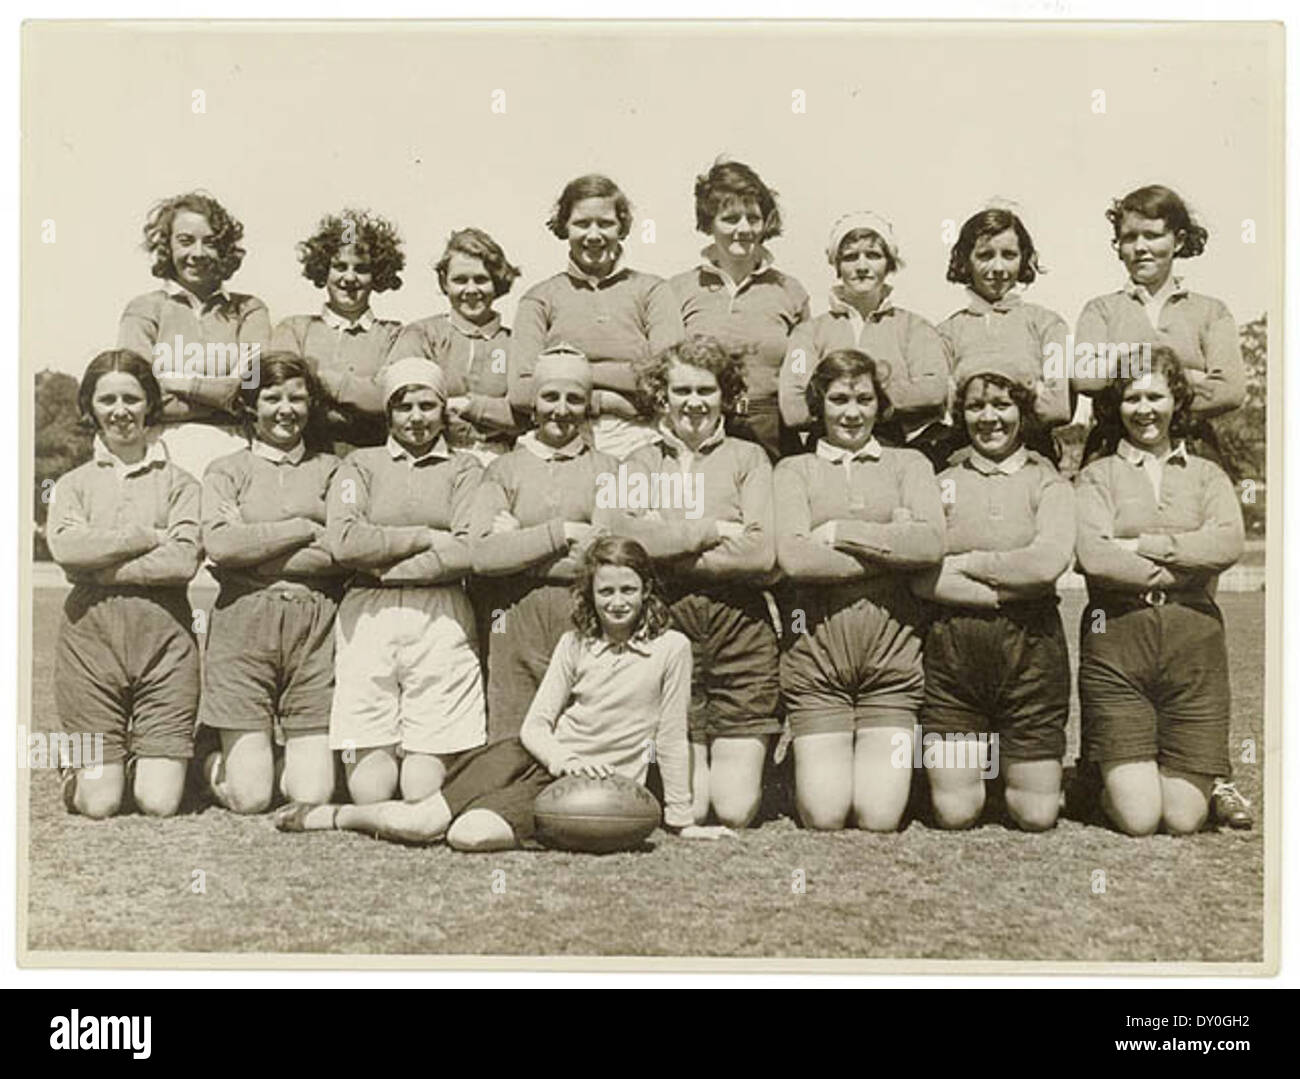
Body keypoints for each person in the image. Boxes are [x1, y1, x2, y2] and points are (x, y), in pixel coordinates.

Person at [275, 538, 732, 849]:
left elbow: (671, 738)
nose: (617, 601)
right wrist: (561, 759)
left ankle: (486, 813)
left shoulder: (672, 648)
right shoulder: (576, 643)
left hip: (588, 787)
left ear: (647, 590)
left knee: (467, 837)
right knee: (423, 822)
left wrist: (682, 819)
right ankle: (332, 816)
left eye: (628, 590)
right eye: (606, 590)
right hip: (529, 757)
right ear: (590, 594)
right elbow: (536, 725)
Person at [603, 335, 779, 828]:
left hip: (740, 624)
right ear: (663, 394)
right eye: (682, 390)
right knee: (691, 808)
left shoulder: (748, 458)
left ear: (725, 394)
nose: (695, 403)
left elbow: (762, 552)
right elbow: (624, 541)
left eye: (707, 390)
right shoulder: (639, 461)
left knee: (735, 809)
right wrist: (712, 532)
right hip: (666, 620)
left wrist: (667, 547)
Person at [1075, 347, 1244, 836]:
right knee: (1139, 818)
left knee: (1184, 818)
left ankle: (1198, 781)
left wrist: (1143, 545)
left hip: (1195, 645)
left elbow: (1228, 542)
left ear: (1177, 401)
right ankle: (1098, 772)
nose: (1143, 409)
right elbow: (1095, 557)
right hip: (1118, 641)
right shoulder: (1097, 474)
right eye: (1131, 398)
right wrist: (1186, 565)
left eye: (1155, 396)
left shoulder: (1208, 473)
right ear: (1116, 405)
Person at [775, 349, 944, 831]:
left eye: (864, 398)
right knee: (825, 816)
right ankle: (797, 767)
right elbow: (795, 558)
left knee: (879, 817)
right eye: (839, 399)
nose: (852, 411)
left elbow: (930, 545)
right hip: (818, 667)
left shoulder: (909, 464)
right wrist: (892, 545)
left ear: (880, 403)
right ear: (819, 404)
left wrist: (834, 532)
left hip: (891, 668)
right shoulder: (793, 470)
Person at [911, 370, 1075, 830]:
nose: (989, 418)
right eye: (976, 407)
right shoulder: (937, 482)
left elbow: (1046, 566)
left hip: (1032, 649)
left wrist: (964, 562)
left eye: (1002, 405)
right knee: (956, 812)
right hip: (952, 649)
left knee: (1036, 816)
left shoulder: (1049, 484)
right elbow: (923, 579)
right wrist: (1008, 589)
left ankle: (1033, 773)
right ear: (960, 415)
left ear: (1022, 412)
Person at [47, 349, 202, 818]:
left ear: (149, 404)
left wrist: (95, 564)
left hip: (164, 644)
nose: (120, 411)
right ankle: (80, 768)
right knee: (99, 803)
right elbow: (67, 552)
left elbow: (182, 562)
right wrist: (144, 536)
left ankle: (152, 759)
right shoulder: (71, 485)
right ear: (90, 406)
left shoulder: (181, 483)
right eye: (107, 398)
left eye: (132, 398)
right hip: (90, 644)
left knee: (158, 803)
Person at [325, 357, 486, 804]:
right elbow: (342, 541)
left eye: (426, 405)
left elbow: (468, 548)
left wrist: (381, 564)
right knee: (369, 792)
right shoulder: (359, 465)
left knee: (421, 789)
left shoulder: (466, 469)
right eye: (403, 406)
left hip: (440, 610)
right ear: (388, 412)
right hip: (367, 614)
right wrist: (424, 536)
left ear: (442, 411)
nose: (416, 418)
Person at [196, 353, 345, 813]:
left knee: (312, 794)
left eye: (297, 398)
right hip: (244, 620)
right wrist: (303, 526)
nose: (286, 408)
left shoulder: (334, 469)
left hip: (315, 625)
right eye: (272, 397)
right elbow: (221, 547)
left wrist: (253, 542)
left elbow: (341, 550)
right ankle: (209, 759)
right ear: (249, 406)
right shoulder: (226, 470)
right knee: (251, 798)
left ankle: (271, 755)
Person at [469, 346, 617, 743]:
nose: (561, 409)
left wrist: (519, 544)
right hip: (510, 614)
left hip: (583, 611)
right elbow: (482, 556)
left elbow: (605, 558)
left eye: (574, 399)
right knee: (511, 725)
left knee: (582, 722)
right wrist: (566, 532)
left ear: (587, 407)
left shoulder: (608, 469)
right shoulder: (502, 469)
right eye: (551, 397)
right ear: (533, 404)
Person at [508, 174, 684, 458]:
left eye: (605, 223)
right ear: (565, 226)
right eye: (581, 223)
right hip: (562, 435)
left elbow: (669, 378)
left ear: (622, 227)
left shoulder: (653, 290)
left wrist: (570, 373)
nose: (593, 235)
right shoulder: (539, 298)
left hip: (640, 435)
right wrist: (606, 399)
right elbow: (520, 390)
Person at [118, 191, 271, 479]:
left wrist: (178, 381)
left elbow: (251, 389)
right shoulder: (144, 310)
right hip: (160, 451)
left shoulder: (250, 310)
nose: (197, 253)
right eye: (185, 241)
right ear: (167, 246)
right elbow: (136, 395)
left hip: (236, 449)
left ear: (224, 249)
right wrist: (221, 396)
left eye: (210, 242)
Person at [781, 212, 949, 468]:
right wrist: (886, 396)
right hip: (826, 456)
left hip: (896, 450)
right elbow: (793, 406)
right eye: (850, 257)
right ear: (837, 266)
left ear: (889, 264)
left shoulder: (915, 328)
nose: (861, 266)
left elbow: (933, 390)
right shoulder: (808, 334)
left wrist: (839, 397)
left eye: (873, 255)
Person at [671, 159, 810, 461]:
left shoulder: (790, 290)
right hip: (700, 423)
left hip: (772, 429)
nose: (744, 229)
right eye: (731, 218)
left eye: (753, 218)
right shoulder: (678, 289)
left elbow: (803, 367)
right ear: (709, 223)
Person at [937, 207, 1072, 465]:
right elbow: (947, 413)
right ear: (966, 260)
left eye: (1009, 255)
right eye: (985, 255)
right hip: (964, 458)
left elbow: (1058, 406)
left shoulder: (1049, 325)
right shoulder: (946, 333)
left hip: (1034, 456)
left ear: (1023, 259)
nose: (998, 267)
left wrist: (970, 379)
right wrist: (1028, 385)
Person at [271, 209, 405, 454]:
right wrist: (359, 398)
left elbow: (385, 400)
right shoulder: (294, 329)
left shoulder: (394, 336)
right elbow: (283, 393)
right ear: (324, 270)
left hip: (371, 460)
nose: (350, 277)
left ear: (377, 275)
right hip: (305, 459)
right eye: (340, 266)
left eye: (362, 268)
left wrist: (316, 378)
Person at [391, 227, 522, 463]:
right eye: (460, 280)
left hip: (498, 458)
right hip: (432, 456)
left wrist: (467, 406)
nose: (471, 290)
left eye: (481, 280)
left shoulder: (515, 343)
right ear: (444, 282)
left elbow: (524, 415)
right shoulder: (422, 334)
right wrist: (495, 412)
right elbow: (407, 404)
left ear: (498, 282)